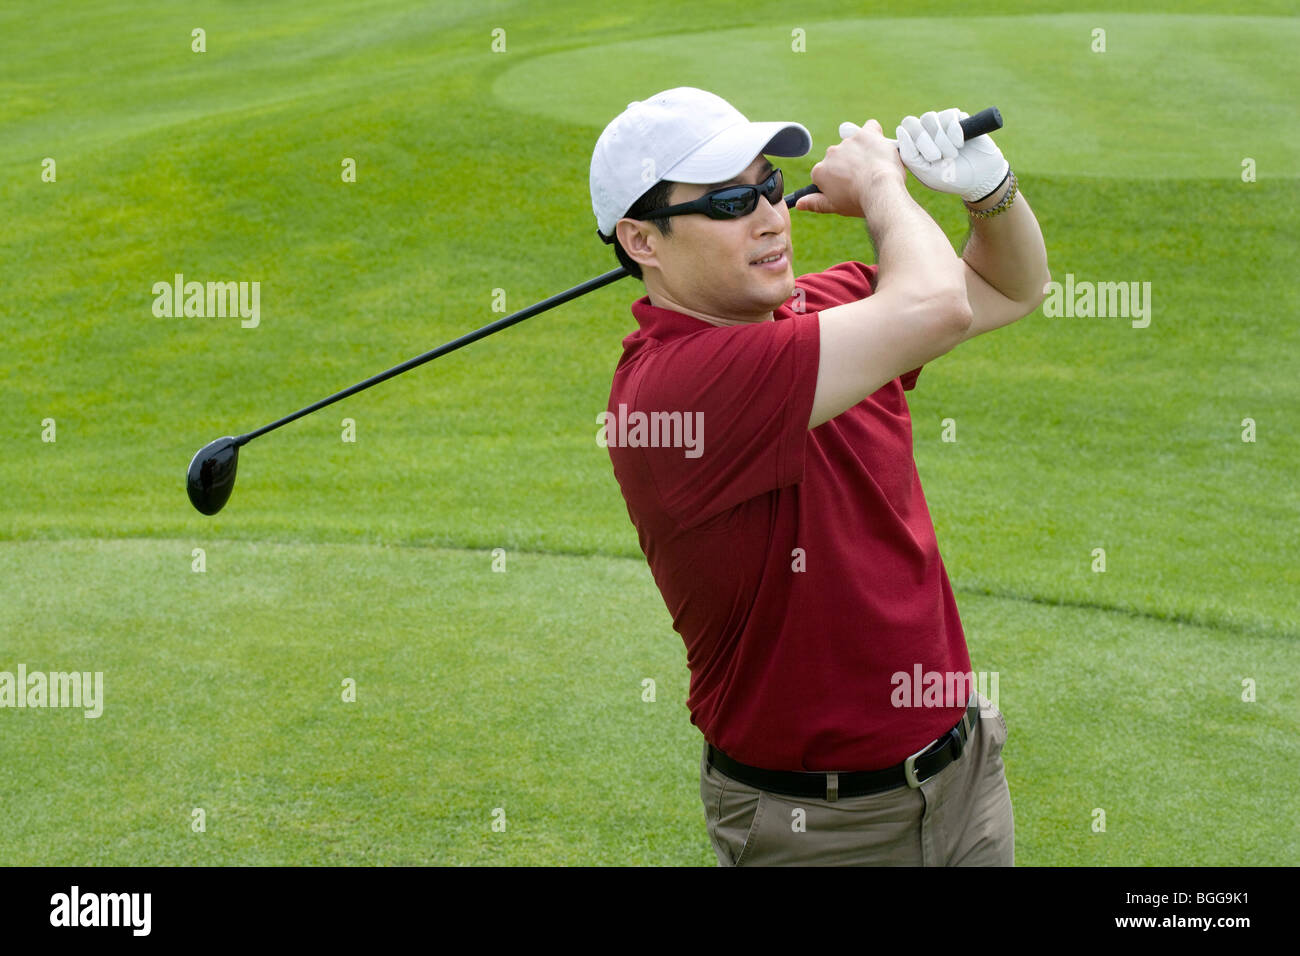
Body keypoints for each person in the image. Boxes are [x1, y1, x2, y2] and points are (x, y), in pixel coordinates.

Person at [590, 87, 1049, 866]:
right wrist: (880, 188)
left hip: (963, 772)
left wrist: (988, 191)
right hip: (819, 829)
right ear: (643, 240)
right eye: (731, 201)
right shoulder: (675, 391)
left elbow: (1009, 289)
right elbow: (937, 305)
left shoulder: (824, 307)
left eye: (770, 185)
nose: (770, 216)